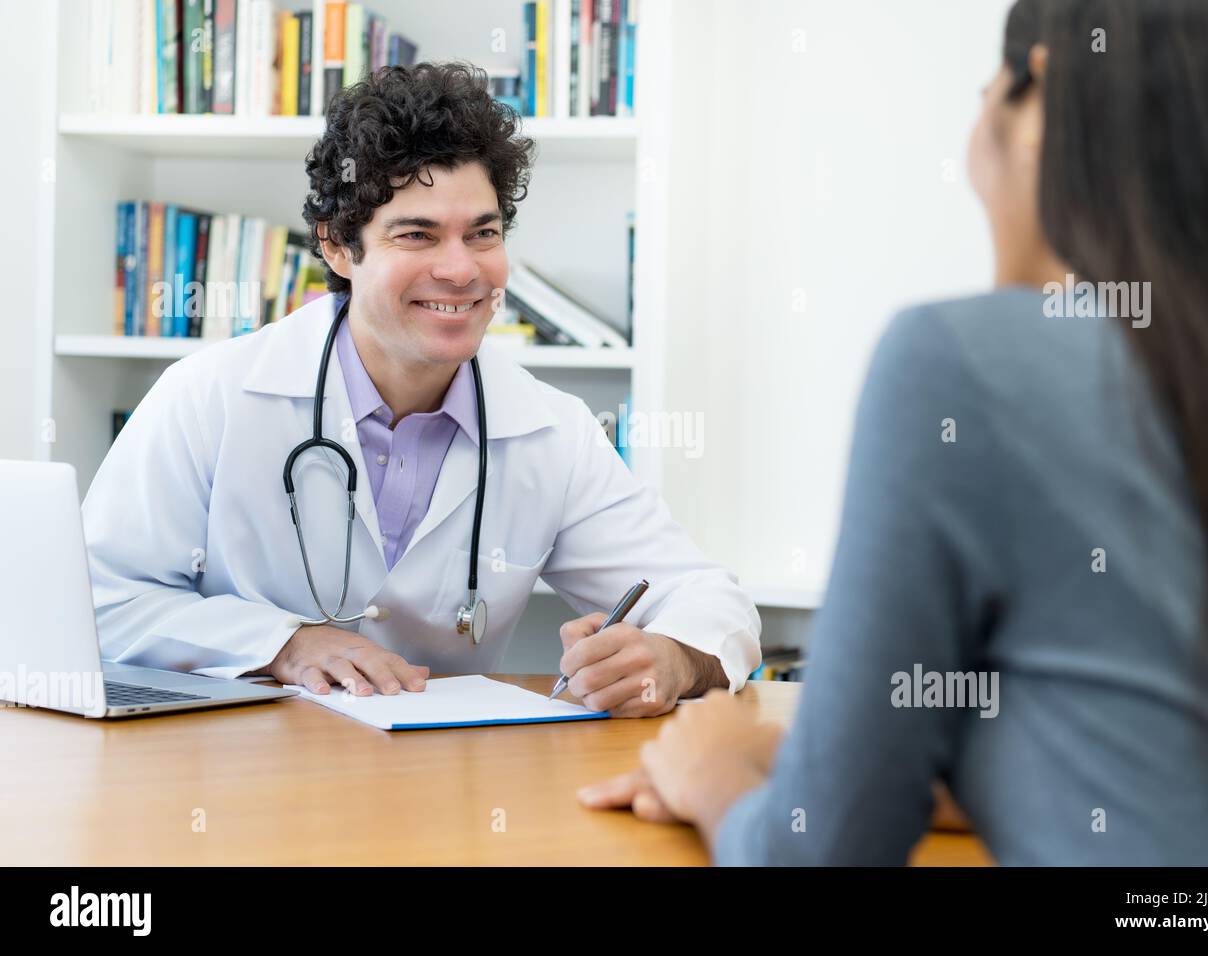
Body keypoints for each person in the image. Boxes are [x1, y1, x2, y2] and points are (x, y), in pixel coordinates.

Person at [580, 0, 1208, 860]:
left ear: (1041, 107)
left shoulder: (963, 361)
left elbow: (824, 852)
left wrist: (712, 775)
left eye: (986, 92)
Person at [82, 62, 760, 717]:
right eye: (417, 234)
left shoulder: (552, 431)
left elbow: (705, 595)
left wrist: (672, 658)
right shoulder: (210, 397)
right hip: (240, 794)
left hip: (444, 794)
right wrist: (281, 644)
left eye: (483, 234)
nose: (462, 270)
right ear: (339, 248)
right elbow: (99, 600)